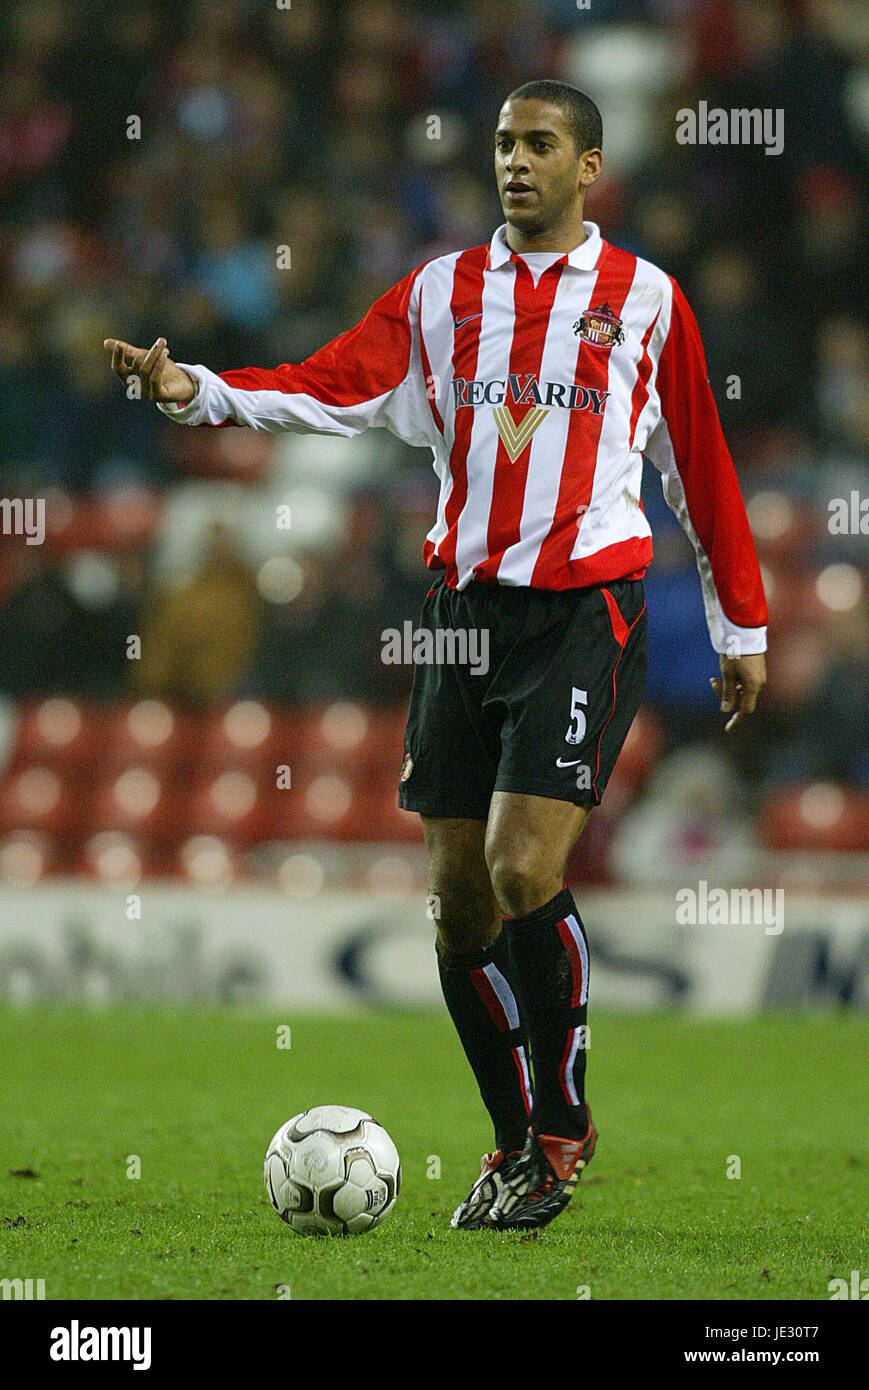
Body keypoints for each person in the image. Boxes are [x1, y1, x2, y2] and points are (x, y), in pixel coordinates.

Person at [104, 79, 768, 1231]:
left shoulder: (645, 301)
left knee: (523, 869)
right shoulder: (440, 293)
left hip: (581, 613)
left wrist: (740, 627)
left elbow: (697, 469)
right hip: (461, 616)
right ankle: (510, 1143)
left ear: (588, 168)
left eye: (540, 144)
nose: (515, 161)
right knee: (459, 908)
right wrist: (192, 389)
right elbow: (329, 386)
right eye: (505, 143)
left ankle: (562, 1133)